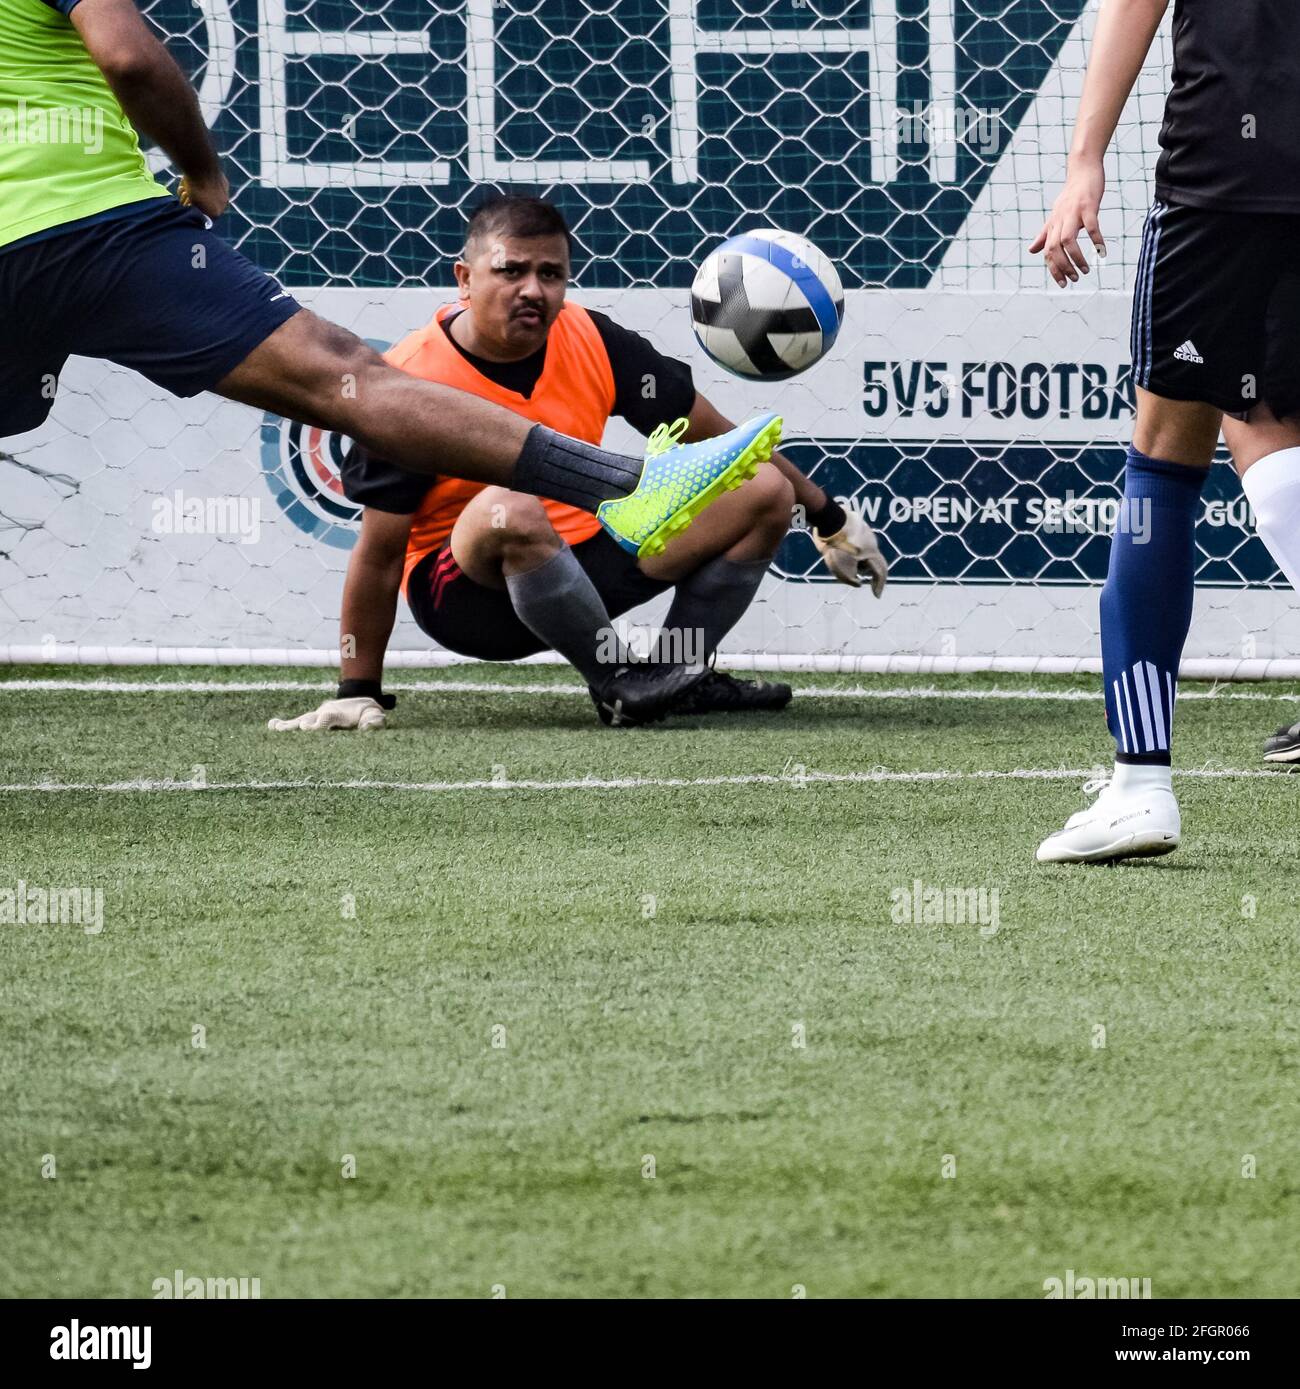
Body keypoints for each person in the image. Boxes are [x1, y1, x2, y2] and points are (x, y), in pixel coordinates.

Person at [0, 0, 780, 564]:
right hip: (87, 222)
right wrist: (203, 171)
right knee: (346, 377)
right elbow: (128, 56)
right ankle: (625, 483)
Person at [268, 197, 889, 731]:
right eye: (510, 271)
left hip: (588, 558)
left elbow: (723, 441)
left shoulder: (590, 337)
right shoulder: (408, 380)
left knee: (762, 489)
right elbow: (378, 554)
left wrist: (826, 514)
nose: (533, 290)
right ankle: (617, 682)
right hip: (468, 598)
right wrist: (357, 689)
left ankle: (680, 669)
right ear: (464, 278)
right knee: (505, 506)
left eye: (551, 274)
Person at [1031, 0, 1300, 862]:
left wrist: (1084, 159)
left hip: (1220, 176)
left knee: (1162, 468)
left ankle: (1141, 785)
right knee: (1266, 426)